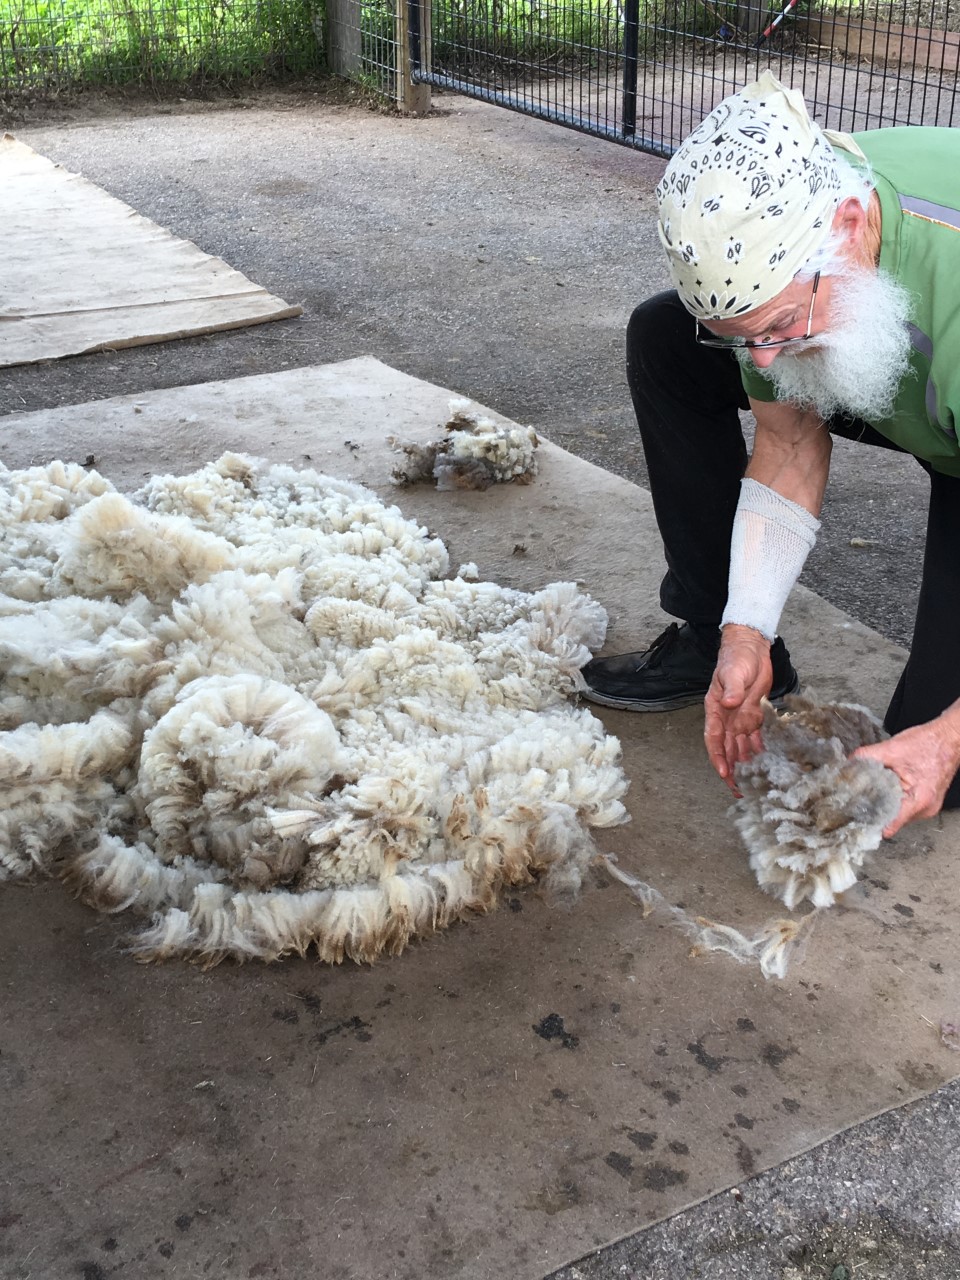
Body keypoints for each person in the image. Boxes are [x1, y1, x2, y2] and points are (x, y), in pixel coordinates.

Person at [582, 70, 960, 838]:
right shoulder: (805, 266)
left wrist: (948, 739)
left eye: (779, 322)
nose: (761, 363)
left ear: (849, 225)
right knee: (667, 339)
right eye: (745, 336)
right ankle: (705, 628)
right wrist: (744, 629)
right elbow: (788, 442)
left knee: (929, 757)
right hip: (921, 383)